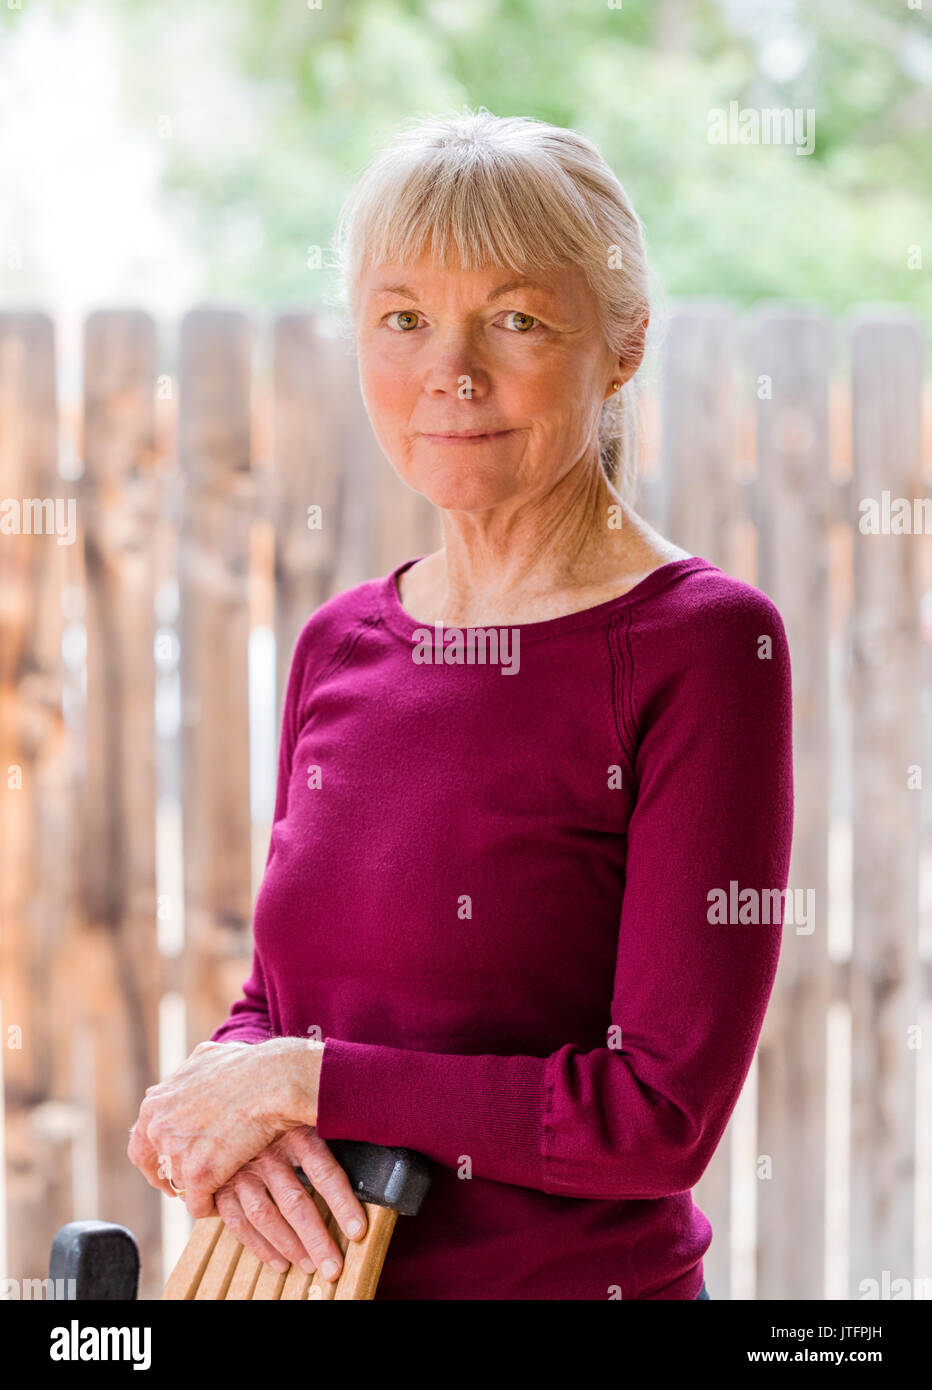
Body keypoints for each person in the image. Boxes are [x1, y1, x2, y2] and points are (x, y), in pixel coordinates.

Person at [129, 107, 793, 1300]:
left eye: (517, 317)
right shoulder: (340, 644)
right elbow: (281, 1005)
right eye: (402, 318)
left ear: (625, 339)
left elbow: (656, 1116)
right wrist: (232, 1102)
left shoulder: (700, 647)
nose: (452, 369)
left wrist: (306, 1083)